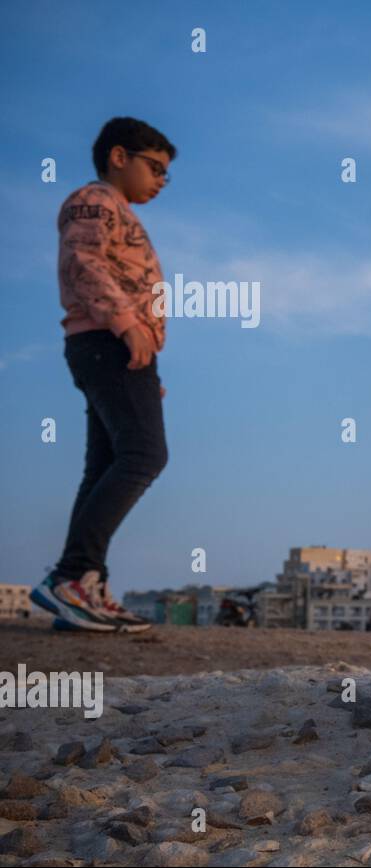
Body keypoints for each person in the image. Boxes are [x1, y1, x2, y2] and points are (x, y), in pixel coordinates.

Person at [29, 118, 176, 632]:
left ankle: (83, 587)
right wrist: (125, 325)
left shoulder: (117, 210)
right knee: (144, 454)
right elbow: (83, 260)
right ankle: (70, 578)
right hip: (107, 339)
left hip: (119, 348)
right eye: (154, 167)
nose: (161, 181)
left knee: (106, 464)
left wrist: (144, 358)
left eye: (166, 175)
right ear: (119, 156)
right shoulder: (94, 201)